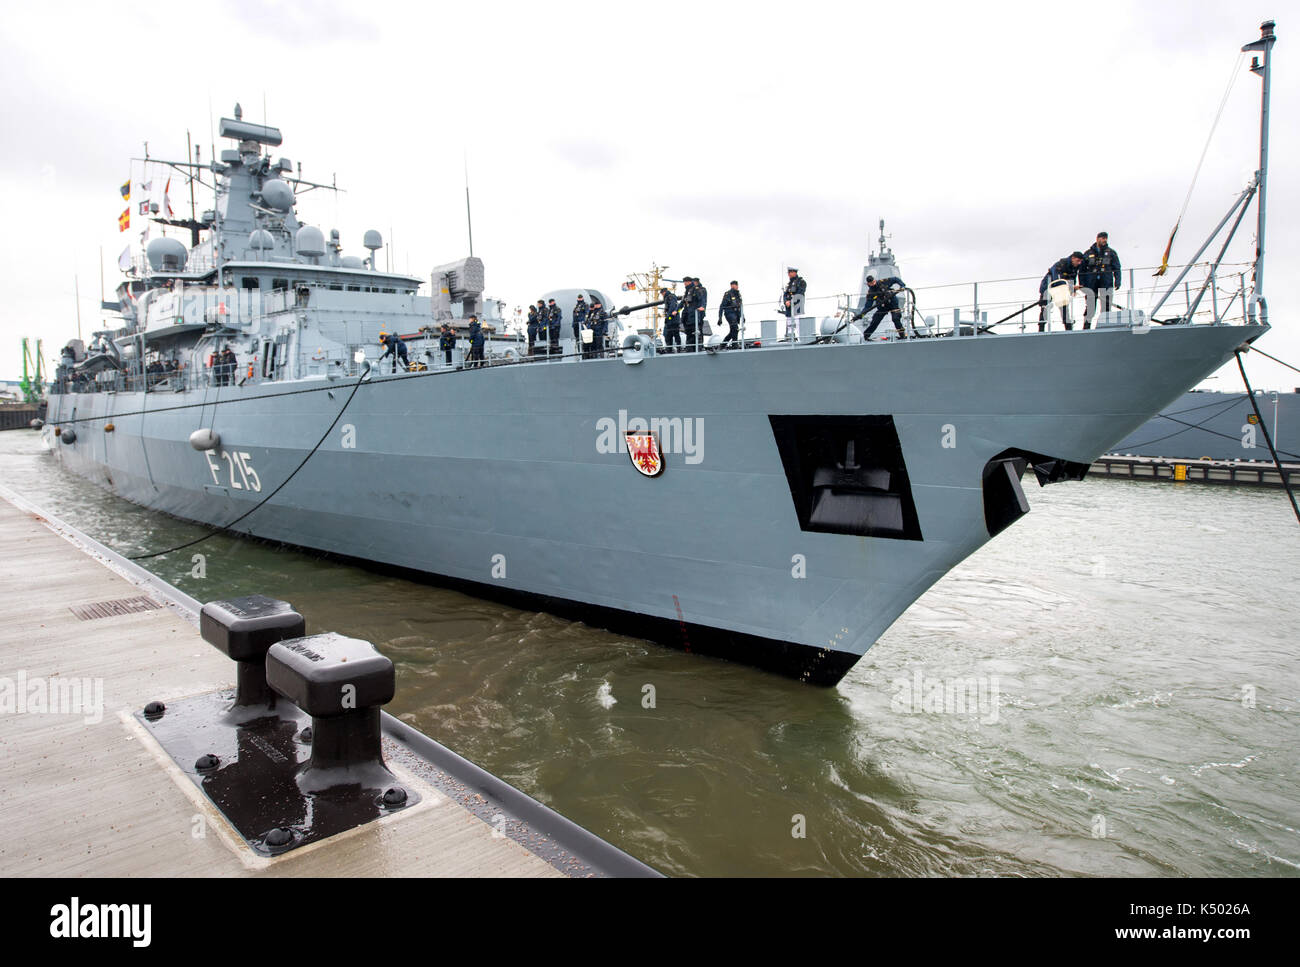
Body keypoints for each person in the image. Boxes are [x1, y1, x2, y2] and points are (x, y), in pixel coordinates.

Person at [1079, 232, 1121, 329]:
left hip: (1106, 281)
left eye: (1106, 238)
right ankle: (1086, 327)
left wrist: (1118, 281)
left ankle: (1105, 326)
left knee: (1106, 305)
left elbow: (1117, 268)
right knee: (1090, 306)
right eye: (1102, 238)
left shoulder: (1111, 253)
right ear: (1097, 239)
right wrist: (1082, 284)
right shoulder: (1088, 253)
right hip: (1091, 282)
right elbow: (1081, 270)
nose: (1104, 240)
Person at [1038, 252, 1084, 331]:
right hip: (1048, 287)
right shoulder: (1061, 264)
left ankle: (1068, 329)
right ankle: (1041, 329)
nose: (1079, 263)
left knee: (1064, 307)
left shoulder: (1074, 267)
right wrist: (1071, 287)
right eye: (1078, 261)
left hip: (1061, 289)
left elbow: (1072, 278)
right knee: (1045, 308)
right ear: (1073, 258)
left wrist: (1072, 289)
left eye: (1080, 261)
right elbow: (1058, 280)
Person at [853, 274, 908, 339]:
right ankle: (865, 336)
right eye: (871, 283)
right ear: (868, 284)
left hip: (892, 304)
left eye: (873, 282)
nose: (873, 283)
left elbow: (895, 279)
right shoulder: (870, 293)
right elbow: (868, 306)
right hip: (883, 307)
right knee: (875, 320)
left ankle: (902, 335)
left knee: (895, 319)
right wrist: (861, 315)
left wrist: (902, 285)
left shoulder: (883, 282)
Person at [718, 281, 743, 347]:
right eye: (733, 285)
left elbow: (740, 306)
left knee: (733, 331)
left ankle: (723, 345)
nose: (734, 286)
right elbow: (722, 306)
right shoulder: (728, 294)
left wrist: (742, 316)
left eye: (735, 285)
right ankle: (734, 344)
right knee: (735, 328)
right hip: (729, 314)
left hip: (736, 315)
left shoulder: (738, 295)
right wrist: (720, 318)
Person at [660, 287, 682, 353]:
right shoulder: (669, 297)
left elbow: (672, 307)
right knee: (668, 335)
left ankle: (677, 348)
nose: (662, 295)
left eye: (662, 294)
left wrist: (668, 316)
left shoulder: (670, 297)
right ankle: (670, 349)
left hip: (672, 319)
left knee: (675, 334)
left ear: (664, 292)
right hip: (671, 320)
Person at [692, 277, 708, 350]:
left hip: (699, 312)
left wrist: (703, 307)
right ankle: (695, 345)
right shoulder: (692, 290)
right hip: (692, 313)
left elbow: (703, 300)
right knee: (693, 329)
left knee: (699, 329)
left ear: (696, 282)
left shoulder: (702, 290)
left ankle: (700, 345)